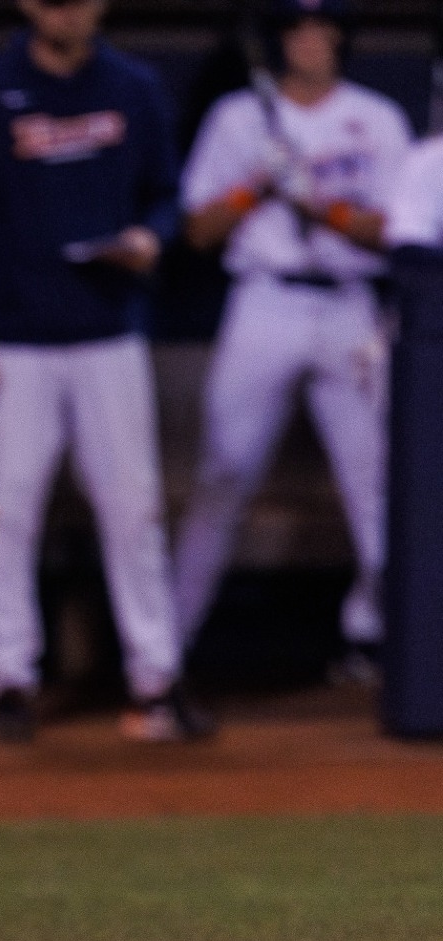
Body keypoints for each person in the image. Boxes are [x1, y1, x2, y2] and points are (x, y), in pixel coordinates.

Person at [0, 0, 207, 743]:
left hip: (107, 331)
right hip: (16, 336)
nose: (71, 10)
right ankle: (8, 677)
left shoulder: (133, 85)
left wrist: (150, 239)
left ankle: (157, 678)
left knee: (134, 510)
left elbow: (165, 195)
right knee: (5, 512)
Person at [173, 0, 411, 682]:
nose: (310, 40)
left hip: (349, 304)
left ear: (340, 35)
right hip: (265, 302)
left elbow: (397, 231)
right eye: (296, 29)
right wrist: (259, 187)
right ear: (279, 41)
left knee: (378, 483)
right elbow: (198, 231)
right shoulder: (239, 119)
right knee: (223, 474)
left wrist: (321, 206)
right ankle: (169, 645)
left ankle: (379, 638)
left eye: (322, 27)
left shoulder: (376, 117)